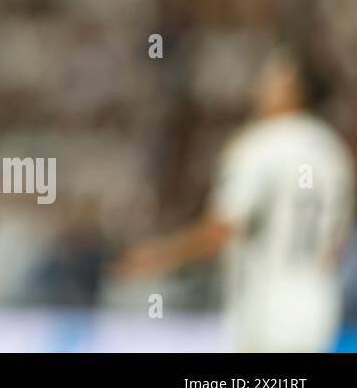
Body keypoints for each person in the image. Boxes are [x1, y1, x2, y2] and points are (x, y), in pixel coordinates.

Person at [112, 45, 355, 351]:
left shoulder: (260, 144)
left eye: (274, 78)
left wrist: (156, 257)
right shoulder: (333, 153)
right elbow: (337, 242)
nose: (262, 85)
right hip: (317, 310)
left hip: (266, 310)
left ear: (294, 91)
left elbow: (222, 229)